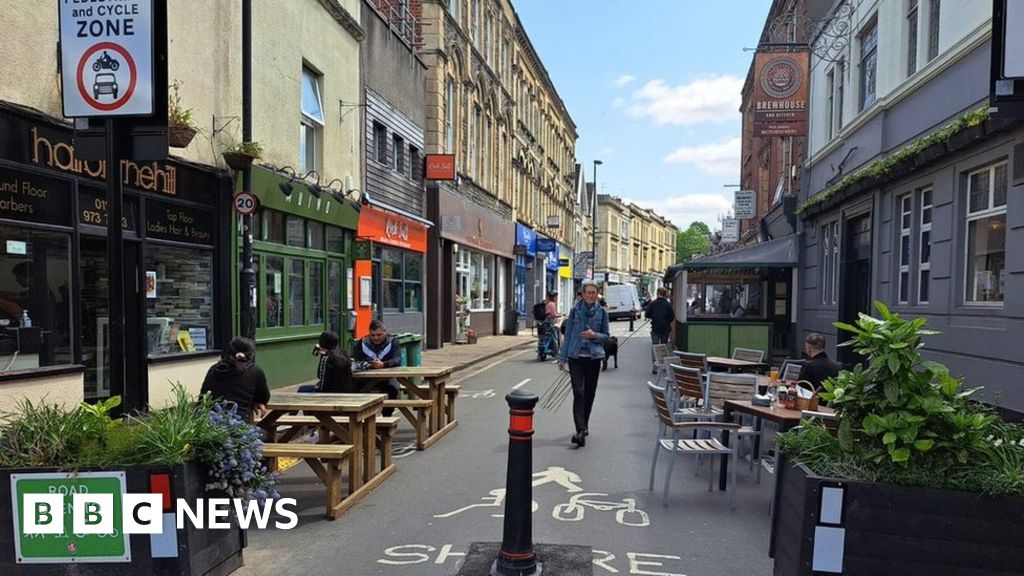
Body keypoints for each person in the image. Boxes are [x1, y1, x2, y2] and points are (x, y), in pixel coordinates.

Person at [557, 281, 610, 448]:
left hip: (593, 358)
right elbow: (569, 335)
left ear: (597, 295)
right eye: (588, 292)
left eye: (594, 293)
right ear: (582, 293)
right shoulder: (575, 312)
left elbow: (607, 336)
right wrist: (562, 357)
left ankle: (584, 424)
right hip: (575, 357)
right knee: (578, 392)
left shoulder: (602, 312)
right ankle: (580, 430)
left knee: (589, 393)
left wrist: (594, 335)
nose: (591, 295)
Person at [200, 337, 270, 422]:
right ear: (251, 354)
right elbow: (263, 397)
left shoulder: (214, 369)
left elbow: (203, 395)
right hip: (235, 425)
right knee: (265, 434)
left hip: (206, 423)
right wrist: (256, 401)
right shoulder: (254, 372)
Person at [353, 319, 402, 415]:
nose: (376, 338)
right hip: (367, 378)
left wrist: (384, 364)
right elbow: (357, 360)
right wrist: (369, 364)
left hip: (387, 378)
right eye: (372, 335)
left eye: (379, 335)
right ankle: (361, 420)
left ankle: (386, 420)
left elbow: (397, 360)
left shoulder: (393, 342)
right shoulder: (362, 343)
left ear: (385, 332)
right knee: (354, 390)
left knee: (393, 390)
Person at [644, 287, 676, 374]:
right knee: (664, 347)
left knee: (655, 346)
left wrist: (653, 317)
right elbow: (672, 316)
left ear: (658, 293)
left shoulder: (653, 303)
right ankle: (664, 365)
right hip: (665, 329)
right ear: (665, 294)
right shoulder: (668, 304)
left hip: (655, 328)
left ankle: (655, 366)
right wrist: (666, 321)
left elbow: (647, 314)